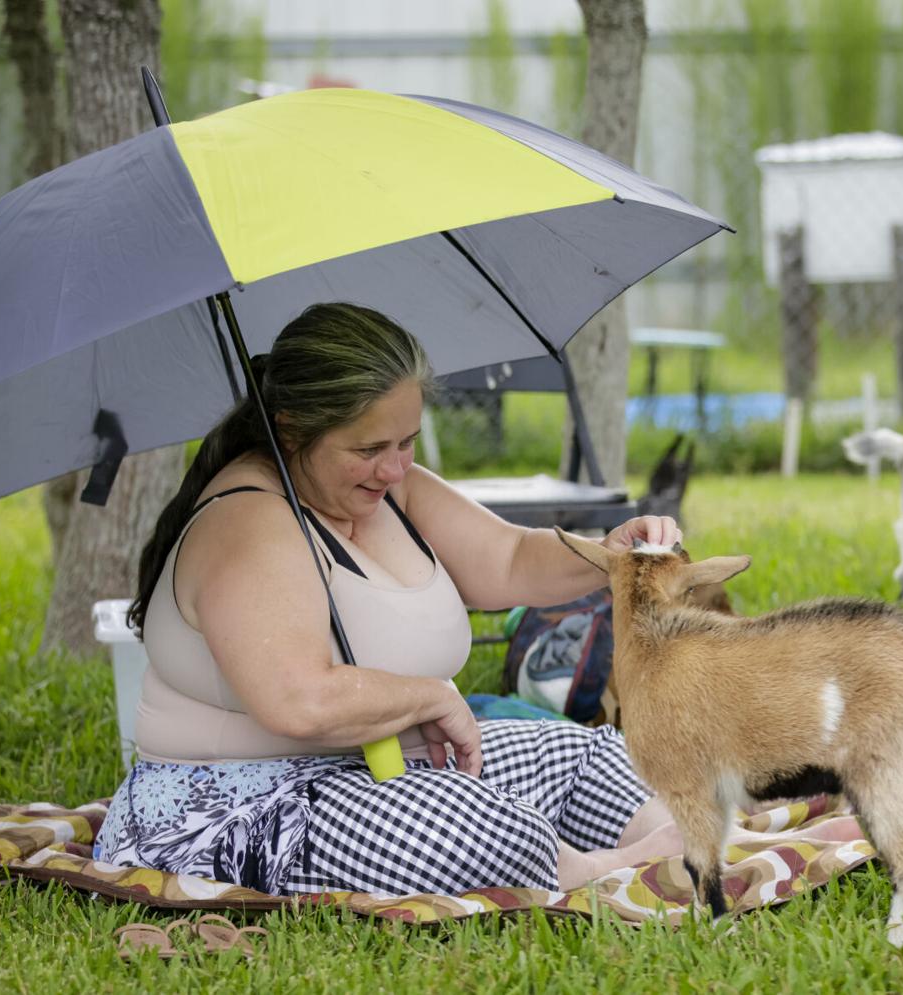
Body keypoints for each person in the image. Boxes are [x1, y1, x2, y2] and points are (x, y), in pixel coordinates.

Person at [93, 302, 695, 897]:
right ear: (292, 429)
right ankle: (609, 871)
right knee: (478, 824)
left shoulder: (391, 490)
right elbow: (298, 701)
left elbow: (509, 558)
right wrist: (430, 697)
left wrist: (610, 558)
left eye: (407, 441)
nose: (393, 468)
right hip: (249, 807)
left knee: (585, 755)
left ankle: (666, 840)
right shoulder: (247, 525)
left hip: (391, 770)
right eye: (369, 449)